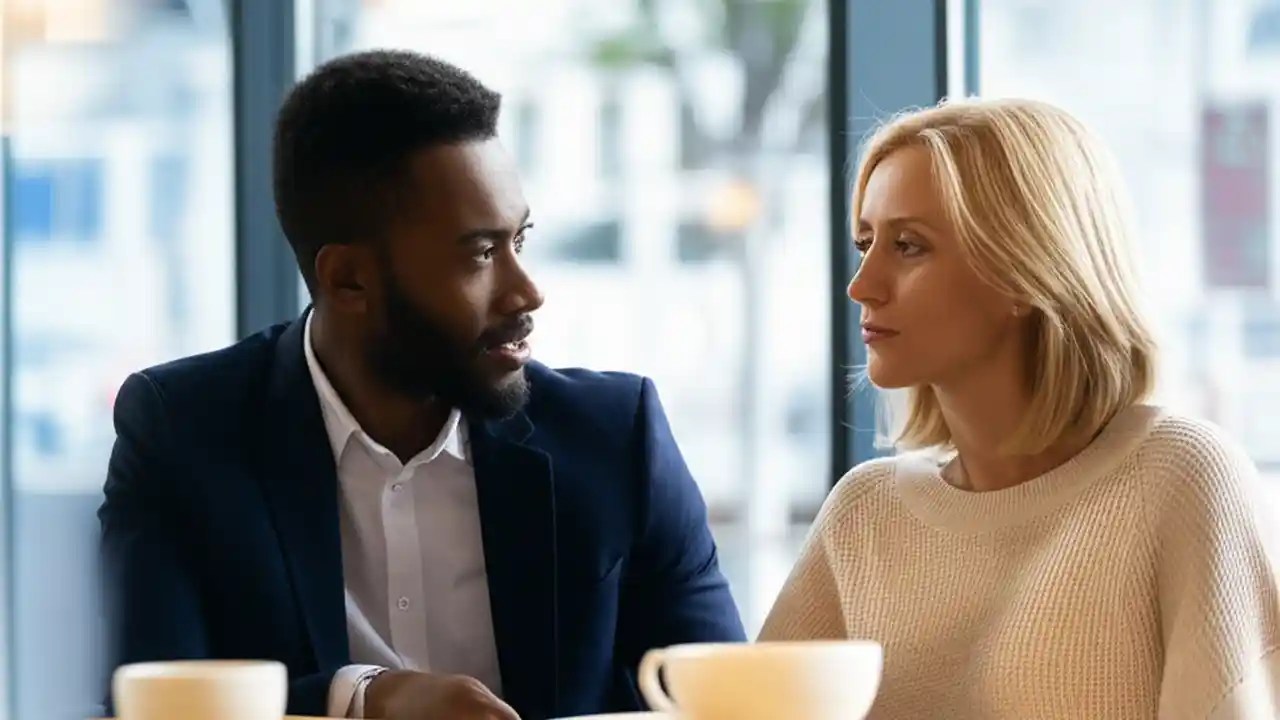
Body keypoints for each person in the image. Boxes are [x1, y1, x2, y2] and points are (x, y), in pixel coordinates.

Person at [99, 49, 745, 720]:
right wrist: (365, 699)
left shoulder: (615, 439)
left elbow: (727, 704)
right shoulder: (186, 433)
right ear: (348, 279)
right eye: (480, 254)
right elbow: (149, 704)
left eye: (519, 238)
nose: (527, 291)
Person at [760, 97, 1280, 718]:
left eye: (908, 247)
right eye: (865, 242)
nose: (861, 285)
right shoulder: (864, 514)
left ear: (1024, 268)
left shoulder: (1178, 476)